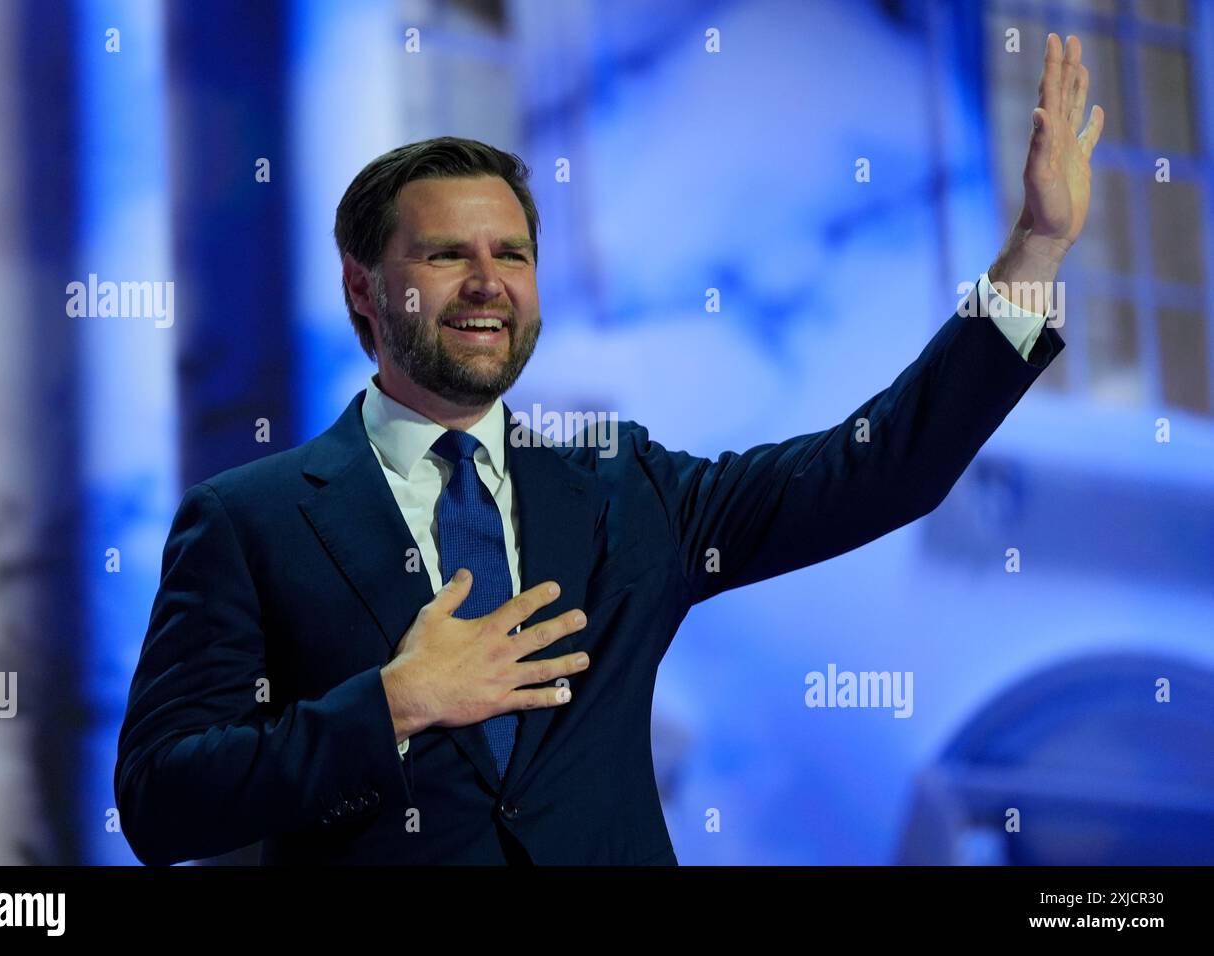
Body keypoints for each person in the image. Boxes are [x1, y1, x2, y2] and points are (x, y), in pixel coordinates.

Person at [114, 33, 1103, 865]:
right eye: (447, 253)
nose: (487, 283)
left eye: (512, 254)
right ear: (364, 291)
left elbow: (879, 469)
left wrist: (1034, 254)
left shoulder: (625, 487)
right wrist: (394, 702)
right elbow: (163, 797)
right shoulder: (249, 518)